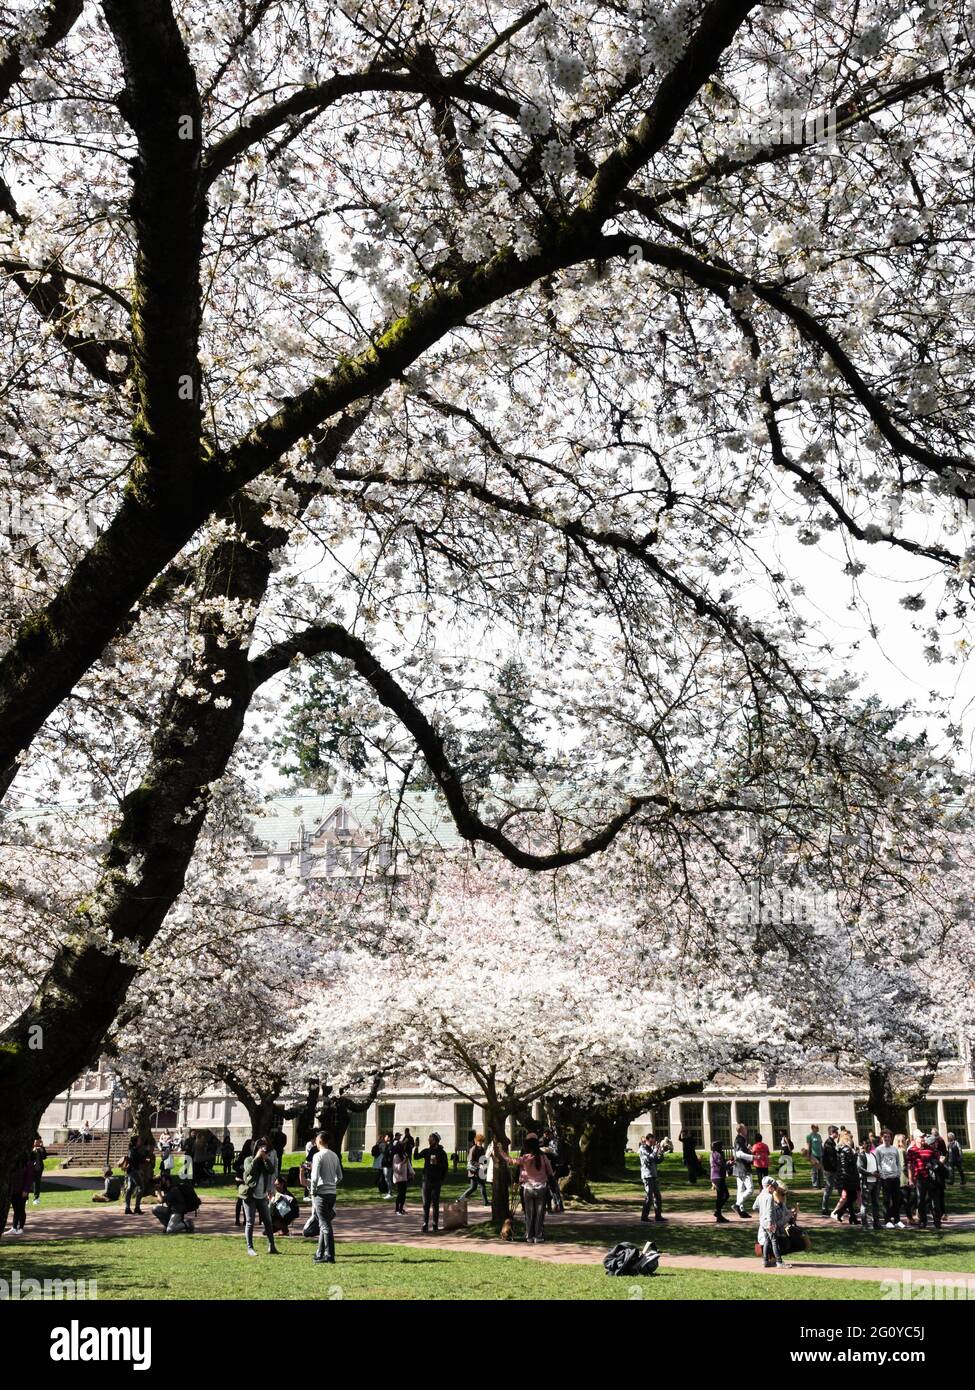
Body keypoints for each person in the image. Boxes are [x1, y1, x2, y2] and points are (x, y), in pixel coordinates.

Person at [238, 1137, 280, 1256]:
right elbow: (247, 1172)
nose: (263, 1150)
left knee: (268, 1221)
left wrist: (266, 1158)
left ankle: (272, 1246)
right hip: (250, 1196)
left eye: (264, 1148)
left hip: (262, 1196)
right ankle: (250, 1248)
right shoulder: (249, 1159)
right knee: (250, 1222)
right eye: (260, 1148)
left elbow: (271, 1170)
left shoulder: (265, 1161)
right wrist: (256, 1158)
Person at [512, 1133, 554, 1243]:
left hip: (527, 1186)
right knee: (539, 1212)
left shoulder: (524, 1154)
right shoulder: (542, 1155)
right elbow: (550, 1172)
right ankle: (538, 1234)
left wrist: (516, 1181)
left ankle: (529, 1235)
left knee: (529, 1212)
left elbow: (517, 1167)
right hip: (541, 1186)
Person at [310, 1130, 343, 1264]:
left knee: (325, 1225)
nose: (315, 1142)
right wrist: (332, 1184)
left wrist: (312, 1192)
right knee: (324, 1223)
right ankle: (320, 1253)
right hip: (332, 1193)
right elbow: (340, 1176)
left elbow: (314, 1177)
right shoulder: (334, 1155)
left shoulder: (318, 1156)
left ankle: (329, 1255)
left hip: (321, 1194)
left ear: (320, 1141)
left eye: (316, 1140)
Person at [416, 1132, 449, 1233]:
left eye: (431, 1138)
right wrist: (416, 1147)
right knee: (426, 1203)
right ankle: (425, 1223)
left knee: (435, 1204)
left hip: (436, 1181)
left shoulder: (442, 1153)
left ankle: (435, 1224)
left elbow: (445, 1167)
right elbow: (416, 1157)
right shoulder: (426, 1151)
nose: (429, 1140)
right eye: (429, 1138)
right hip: (426, 1181)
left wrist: (437, 1166)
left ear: (436, 1141)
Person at [757, 1178, 791, 1269]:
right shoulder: (769, 1197)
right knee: (774, 1241)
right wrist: (771, 1223)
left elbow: (754, 1207)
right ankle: (779, 1262)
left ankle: (765, 1261)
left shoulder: (760, 1196)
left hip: (764, 1222)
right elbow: (770, 1212)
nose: (774, 1189)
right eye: (774, 1187)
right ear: (770, 1187)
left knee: (768, 1241)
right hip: (770, 1223)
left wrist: (762, 1216)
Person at [874, 1130, 905, 1228]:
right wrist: (882, 1174)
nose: (887, 1139)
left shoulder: (894, 1149)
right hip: (885, 1178)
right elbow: (878, 1163)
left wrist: (898, 1172)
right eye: (885, 1137)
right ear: (882, 1138)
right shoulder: (879, 1149)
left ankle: (897, 1220)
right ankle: (887, 1220)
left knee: (896, 1199)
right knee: (887, 1200)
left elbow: (898, 1162)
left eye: (888, 1137)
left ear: (891, 1138)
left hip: (895, 1177)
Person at [831, 1129, 860, 1224]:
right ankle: (839, 1212)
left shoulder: (842, 1150)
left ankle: (852, 1217)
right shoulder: (847, 1150)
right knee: (853, 1197)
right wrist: (856, 1154)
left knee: (850, 1197)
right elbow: (850, 1163)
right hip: (848, 1177)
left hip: (846, 1177)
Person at [638, 1132, 665, 1223]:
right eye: (652, 1140)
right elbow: (649, 1159)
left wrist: (660, 1152)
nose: (654, 1142)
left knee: (658, 1196)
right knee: (649, 1197)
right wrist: (655, 1151)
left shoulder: (652, 1148)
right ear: (648, 1140)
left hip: (653, 1175)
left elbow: (657, 1160)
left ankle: (658, 1216)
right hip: (647, 1176)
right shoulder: (643, 1149)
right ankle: (644, 1217)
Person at [857, 1138, 881, 1230]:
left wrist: (878, 1173)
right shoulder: (861, 1155)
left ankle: (876, 1223)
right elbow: (860, 1168)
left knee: (876, 1203)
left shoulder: (872, 1155)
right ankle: (864, 1223)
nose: (868, 1145)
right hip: (866, 1182)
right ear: (862, 1145)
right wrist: (871, 1174)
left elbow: (876, 1166)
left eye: (869, 1143)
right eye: (866, 1143)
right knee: (865, 1204)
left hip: (875, 1182)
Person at [122, 1136, 150, 1215]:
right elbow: (138, 1159)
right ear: (135, 1142)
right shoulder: (133, 1151)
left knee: (130, 1189)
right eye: (139, 1140)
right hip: (134, 1171)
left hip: (131, 1171)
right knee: (141, 1187)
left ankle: (127, 1208)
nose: (140, 1142)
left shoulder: (133, 1150)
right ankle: (137, 1208)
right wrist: (147, 1152)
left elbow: (138, 1159)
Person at [459, 1133, 489, 1206]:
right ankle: (486, 1203)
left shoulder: (482, 1149)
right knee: (482, 1186)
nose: (480, 1143)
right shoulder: (473, 1149)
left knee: (473, 1188)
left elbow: (483, 1159)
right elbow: (471, 1161)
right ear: (476, 1141)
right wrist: (479, 1165)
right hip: (473, 1171)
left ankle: (460, 1200)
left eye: (482, 1141)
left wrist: (485, 1163)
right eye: (479, 1141)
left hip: (478, 1171)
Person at [6, 1154, 32, 1234]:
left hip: (22, 1190)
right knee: (15, 1209)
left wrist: (26, 1190)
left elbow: (29, 1178)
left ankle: (21, 1228)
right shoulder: (14, 1163)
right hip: (14, 1189)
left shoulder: (28, 1163)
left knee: (21, 1209)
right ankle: (14, 1227)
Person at [732, 1123, 754, 1218]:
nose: (747, 1130)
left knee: (740, 1190)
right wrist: (753, 1157)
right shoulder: (739, 1140)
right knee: (750, 1189)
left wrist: (748, 1149)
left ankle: (741, 1210)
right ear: (741, 1130)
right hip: (743, 1168)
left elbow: (739, 1153)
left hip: (739, 1168)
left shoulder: (741, 1140)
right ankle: (737, 1205)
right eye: (745, 1129)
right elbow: (739, 1154)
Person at [820, 1125, 840, 1216]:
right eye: (836, 1132)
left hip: (831, 1169)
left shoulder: (831, 1143)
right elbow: (831, 1159)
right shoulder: (828, 1143)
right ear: (832, 1133)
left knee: (833, 1188)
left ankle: (842, 1206)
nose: (837, 1134)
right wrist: (836, 1168)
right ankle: (824, 1208)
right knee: (828, 1189)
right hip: (830, 1170)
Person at [710, 1138, 730, 1222]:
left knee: (720, 1196)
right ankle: (717, 1211)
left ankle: (719, 1215)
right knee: (725, 1195)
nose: (722, 1147)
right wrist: (730, 1164)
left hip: (714, 1176)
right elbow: (722, 1165)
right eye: (720, 1146)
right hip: (719, 1176)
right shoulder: (718, 1154)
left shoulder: (712, 1154)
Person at [391, 1140, 412, 1214]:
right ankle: (397, 1209)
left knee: (404, 1194)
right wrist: (403, 1162)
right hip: (398, 1177)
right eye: (403, 1146)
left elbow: (408, 1164)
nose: (405, 1147)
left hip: (404, 1177)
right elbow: (396, 1168)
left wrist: (412, 1172)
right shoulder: (396, 1156)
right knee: (400, 1194)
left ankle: (401, 1208)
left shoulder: (404, 1154)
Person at [371, 1133, 392, 1199]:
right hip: (381, 1161)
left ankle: (382, 1187)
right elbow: (384, 1152)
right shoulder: (383, 1144)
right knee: (383, 1176)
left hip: (378, 1161)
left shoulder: (378, 1143)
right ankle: (383, 1188)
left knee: (381, 1175)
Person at [805, 1124, 823, 1188]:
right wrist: (808, 1155)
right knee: (815, 1170)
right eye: (816, 1127)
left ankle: (820, 1183)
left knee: (820, 1169)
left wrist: (823, 1153)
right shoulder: (809, 1136)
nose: (818, 1128)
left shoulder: (819, 1136)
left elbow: (821, 1145)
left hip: (820, 1154)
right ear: (812, 1128)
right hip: (813, 1155)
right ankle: (815, 1183)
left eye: (818, 1127)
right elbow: (808, 1146)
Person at [30, 1137, 47, 1205]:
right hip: (30, 1168)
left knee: (37, 1183)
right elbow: (29, 1157)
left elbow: (44, 1157)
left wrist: (42, 1149)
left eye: (39, 1142)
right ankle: (26, 1198)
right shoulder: (30, 1148)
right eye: (36, 1141)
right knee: (28, 1182)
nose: (37, 1143)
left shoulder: (41, 1148)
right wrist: (33, 1151)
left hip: (38, 1168)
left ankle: (36, 1198)